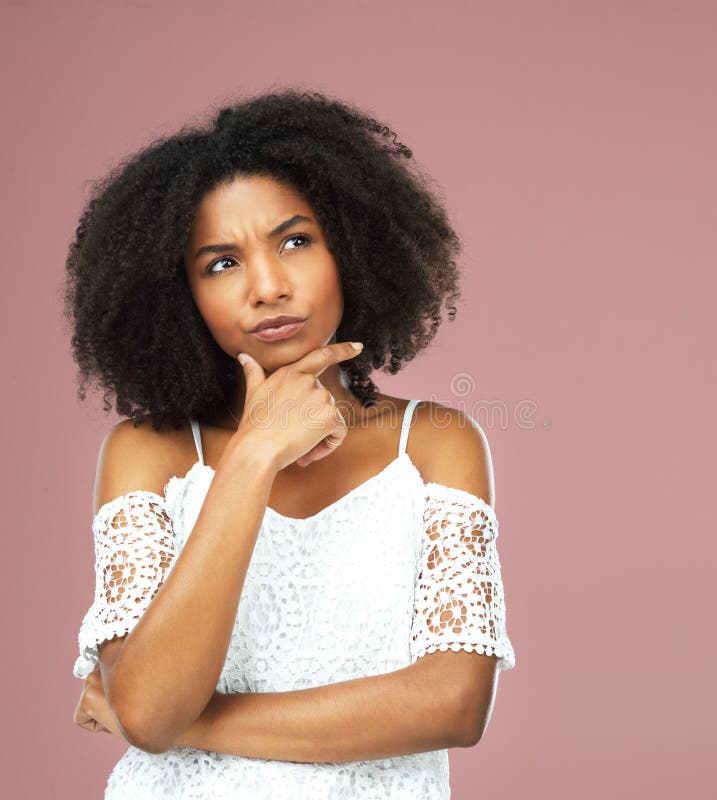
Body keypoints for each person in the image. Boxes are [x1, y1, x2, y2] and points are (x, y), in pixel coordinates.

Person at [64, 87, 516, 799]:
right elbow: (148, 708)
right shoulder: (148, 452)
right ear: (178, 294)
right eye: (221, 263)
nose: (268, 286)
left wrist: (187, 725)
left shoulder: (432, 444)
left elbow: (454, 706)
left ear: (354, 247)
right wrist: (252, 456)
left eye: (295, 241)